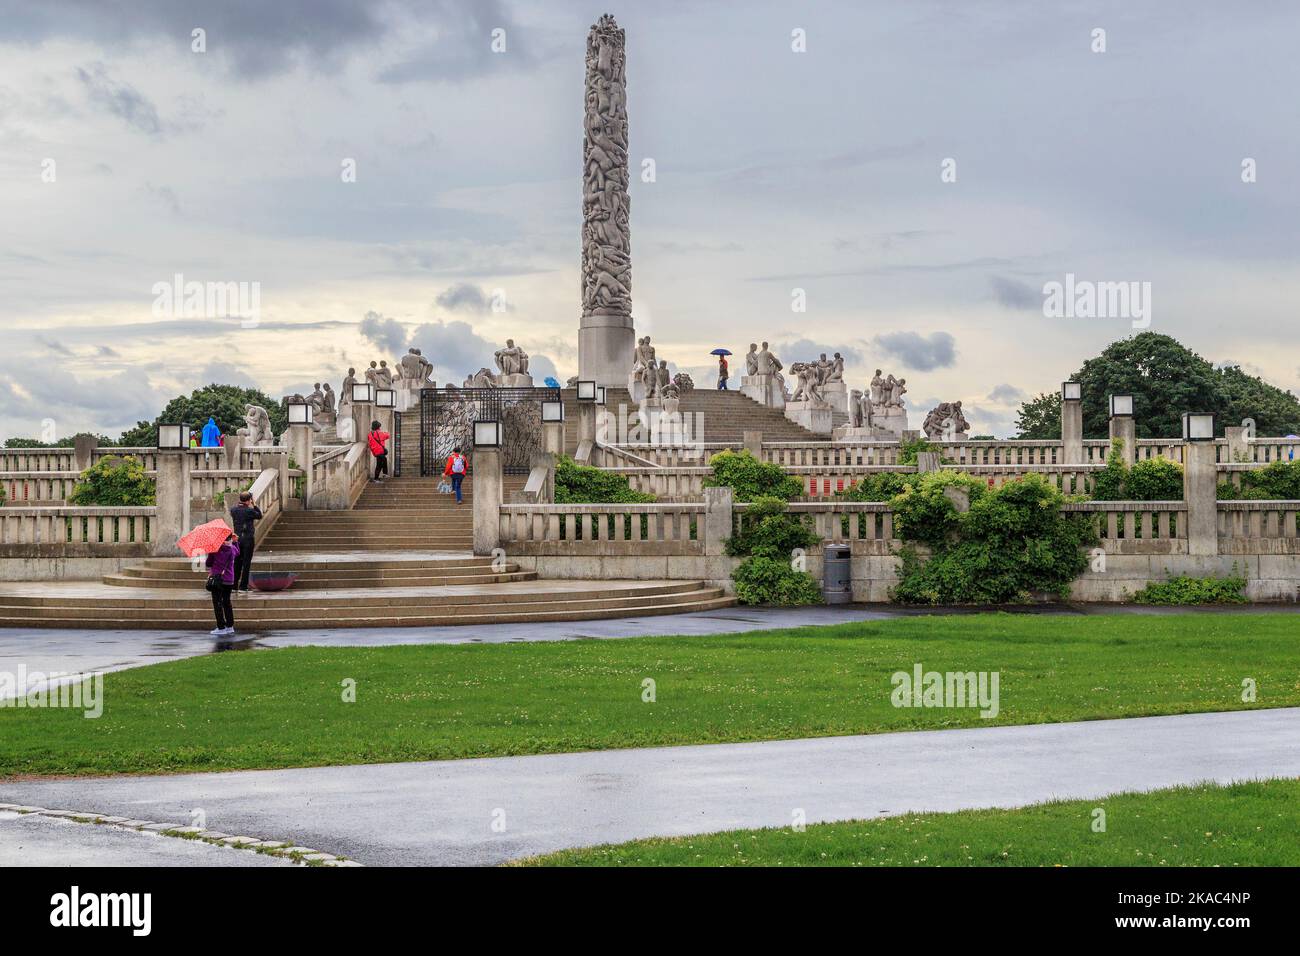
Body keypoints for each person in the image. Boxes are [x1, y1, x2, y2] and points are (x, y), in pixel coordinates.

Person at [205, 532, 239, 636]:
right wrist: (235, 542)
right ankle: (230, 626)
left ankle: (221, 627)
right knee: (227, 602)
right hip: (229, 580)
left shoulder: (215, 549)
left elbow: (208, 563)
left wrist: (210, 551)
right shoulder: (233, 548)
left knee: (217, 603)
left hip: (218, 579)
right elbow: (238, 552)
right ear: (229, 539)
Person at [229, 491, 262, 593]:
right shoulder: (249, 511)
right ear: (248, 501)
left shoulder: (233, 510)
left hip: (237, 540)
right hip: (247, 539)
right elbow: (259, 515)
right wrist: (254, 504)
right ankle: (243, 586)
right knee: (246, 563)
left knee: (237, 563)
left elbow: (237, 510)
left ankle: (234, 585)